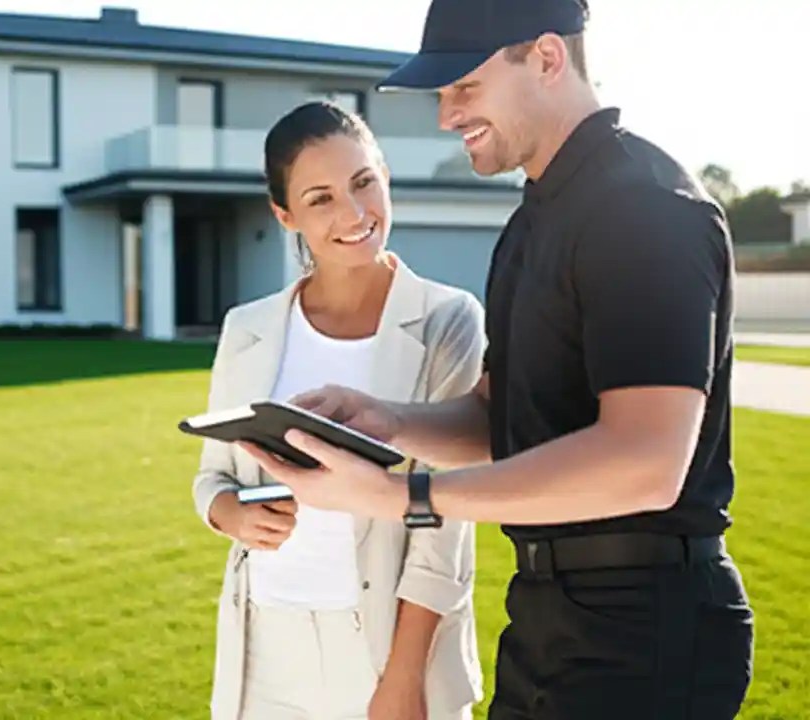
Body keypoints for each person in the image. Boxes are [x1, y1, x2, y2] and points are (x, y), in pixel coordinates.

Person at [240, 1, 755, 719]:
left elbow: (647, 462)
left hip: (648, 626)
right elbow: (501, 417)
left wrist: (405, 498)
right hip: (547, 615)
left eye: (465, 87)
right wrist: (388, 421)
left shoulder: (646, 209)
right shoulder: (532, 224)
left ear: (546, 58)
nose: (446, 115)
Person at [191, 101, 485, 720]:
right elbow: (212, 477)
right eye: (320, 198)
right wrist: (229, 514)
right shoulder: (247, 328)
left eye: (363, 182)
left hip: (382, 650)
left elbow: (448, 524)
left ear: (385, 177)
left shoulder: (447, 320)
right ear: (285, 215)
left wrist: (404, 677)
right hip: (262, 649)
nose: (353, 213)